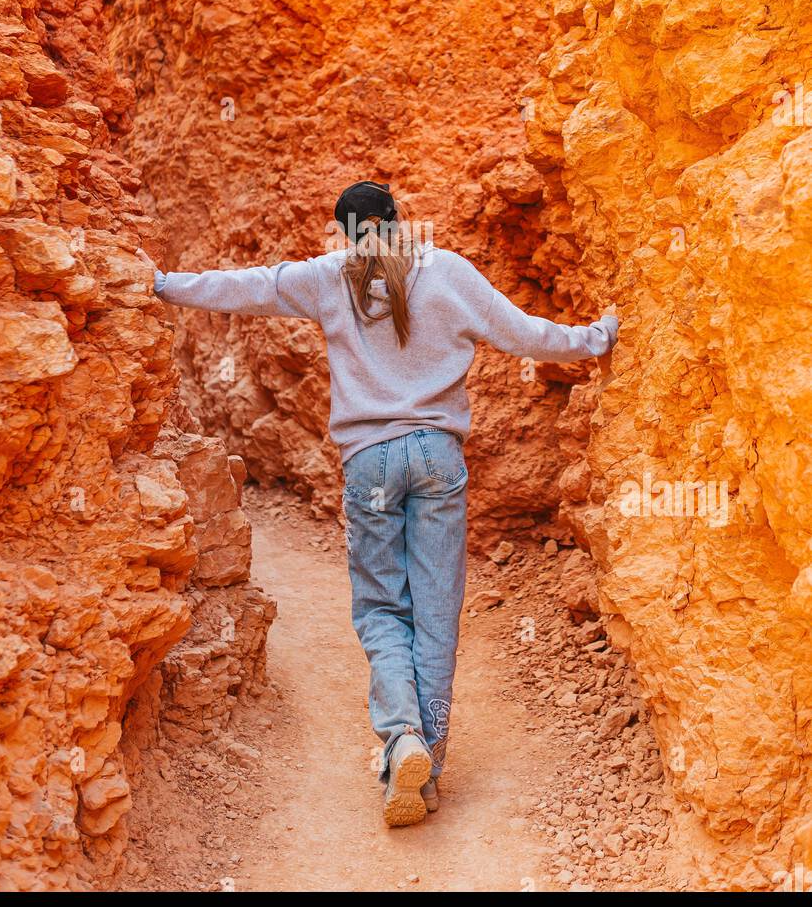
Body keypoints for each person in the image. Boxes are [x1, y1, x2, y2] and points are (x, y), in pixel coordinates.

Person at [139, 180, 619, 827]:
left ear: (343, 232)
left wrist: (163, 282)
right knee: (436, 610)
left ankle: (401, 739)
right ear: (399, 222)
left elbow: (246, 287)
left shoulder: (328, 276)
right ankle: (427, 772)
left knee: (379, 607)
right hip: (436, 459)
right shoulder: (446, 271)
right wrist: (598, 336)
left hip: (369, 463)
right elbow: (527, 335)